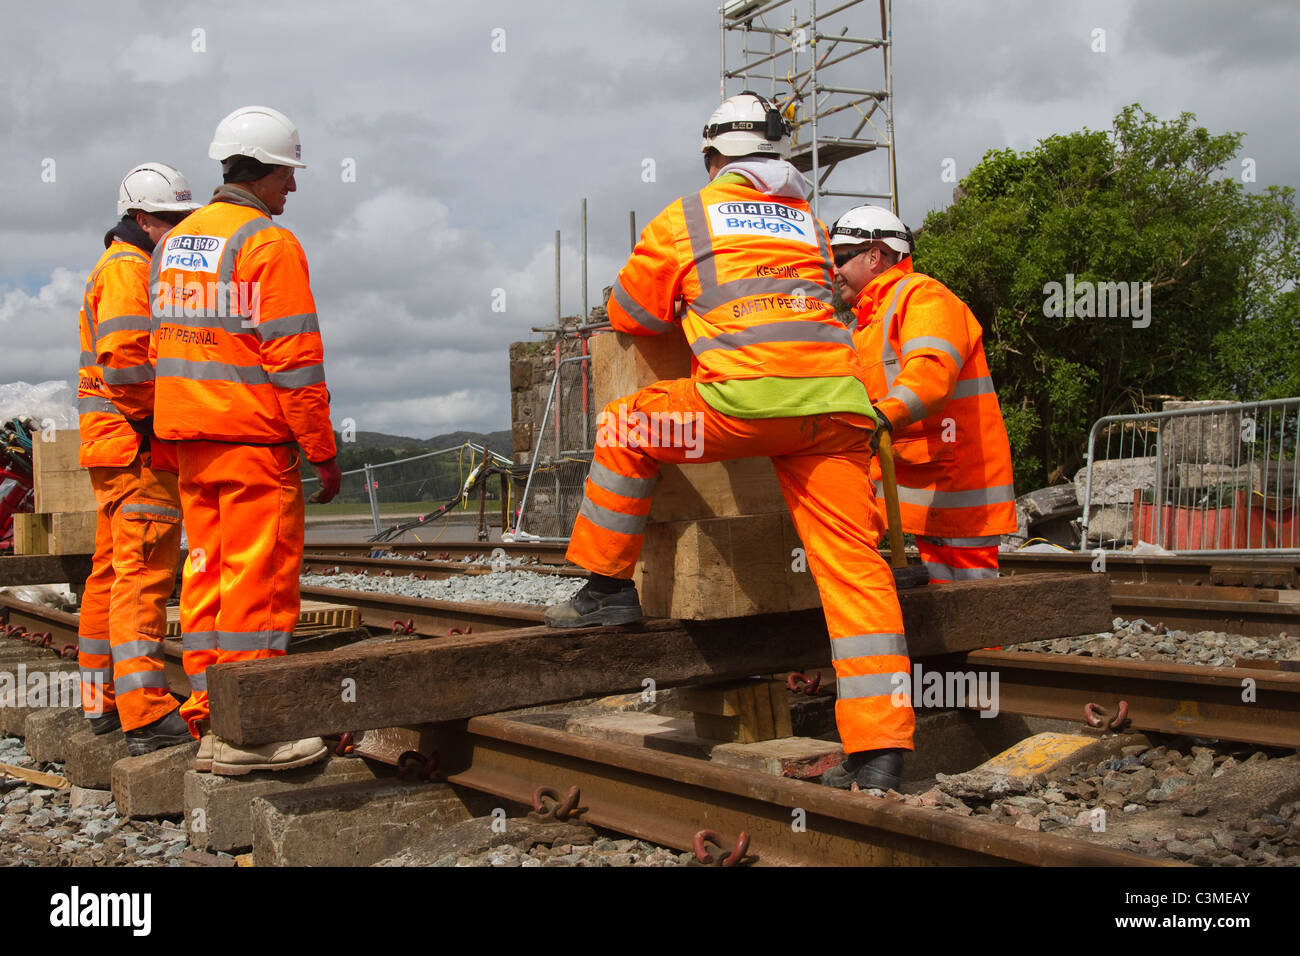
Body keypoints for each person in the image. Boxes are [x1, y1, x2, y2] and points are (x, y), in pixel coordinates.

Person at [546, 92, 914, 791]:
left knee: (626, 426)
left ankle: (604, 587)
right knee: (855, 573)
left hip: (742, 404)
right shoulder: (805, 221)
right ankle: (880, 752)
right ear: (772, 159)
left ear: (712, 158)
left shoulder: (686, 216)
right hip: (836, 410)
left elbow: (631, 311)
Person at [149, 105, 342, 774]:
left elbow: (163, 349)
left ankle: (211, 720)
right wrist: (319, 446)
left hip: (190, 443)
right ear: (261, 174)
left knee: (206, 579)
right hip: (251, 443)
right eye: (287, 175)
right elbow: (295, 359)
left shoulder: (175, 243)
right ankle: (253, 733)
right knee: (258, 581)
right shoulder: (266, 244)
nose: (292, 189)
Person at [76, 163, 199, 754]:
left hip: (111, 447)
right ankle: (146, 713)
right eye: (171, 220)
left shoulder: (114, 266)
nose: (177, 231)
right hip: (137, 447)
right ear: (143, 218)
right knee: (144, 576)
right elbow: (125, 364)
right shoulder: (130, 270)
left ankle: (101, 701)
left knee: (108, 574)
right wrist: (159, 427)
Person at [830, 205, 1017, 583]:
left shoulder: (922, 296)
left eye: (840, 258)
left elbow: (930, 373)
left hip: (958, 486)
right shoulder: (864, 324)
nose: (834, 271)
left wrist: (879, 418)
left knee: (972, 609)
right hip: (924, 489)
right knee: (949, 613)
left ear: (874, 256)